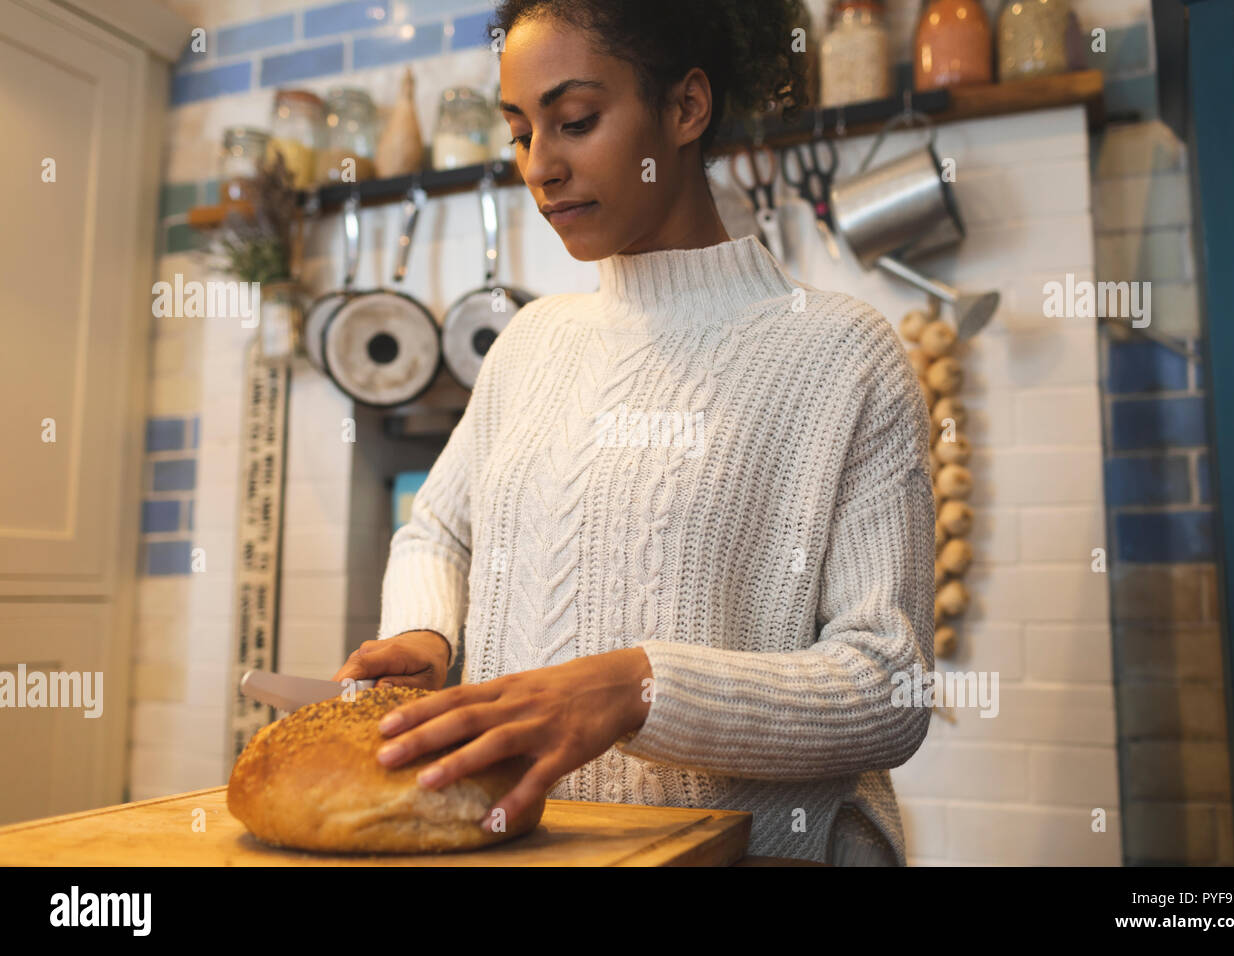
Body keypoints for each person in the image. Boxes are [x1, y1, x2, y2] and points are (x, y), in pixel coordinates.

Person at [333, 0, 935, 866]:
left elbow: (889, 686)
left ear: (686, 107)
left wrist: (636, 689)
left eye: (576, 121)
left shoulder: (841, 354)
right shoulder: (532, 343)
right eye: (519, 132)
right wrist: (426, 636)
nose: (540, 167)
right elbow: (438, 530)